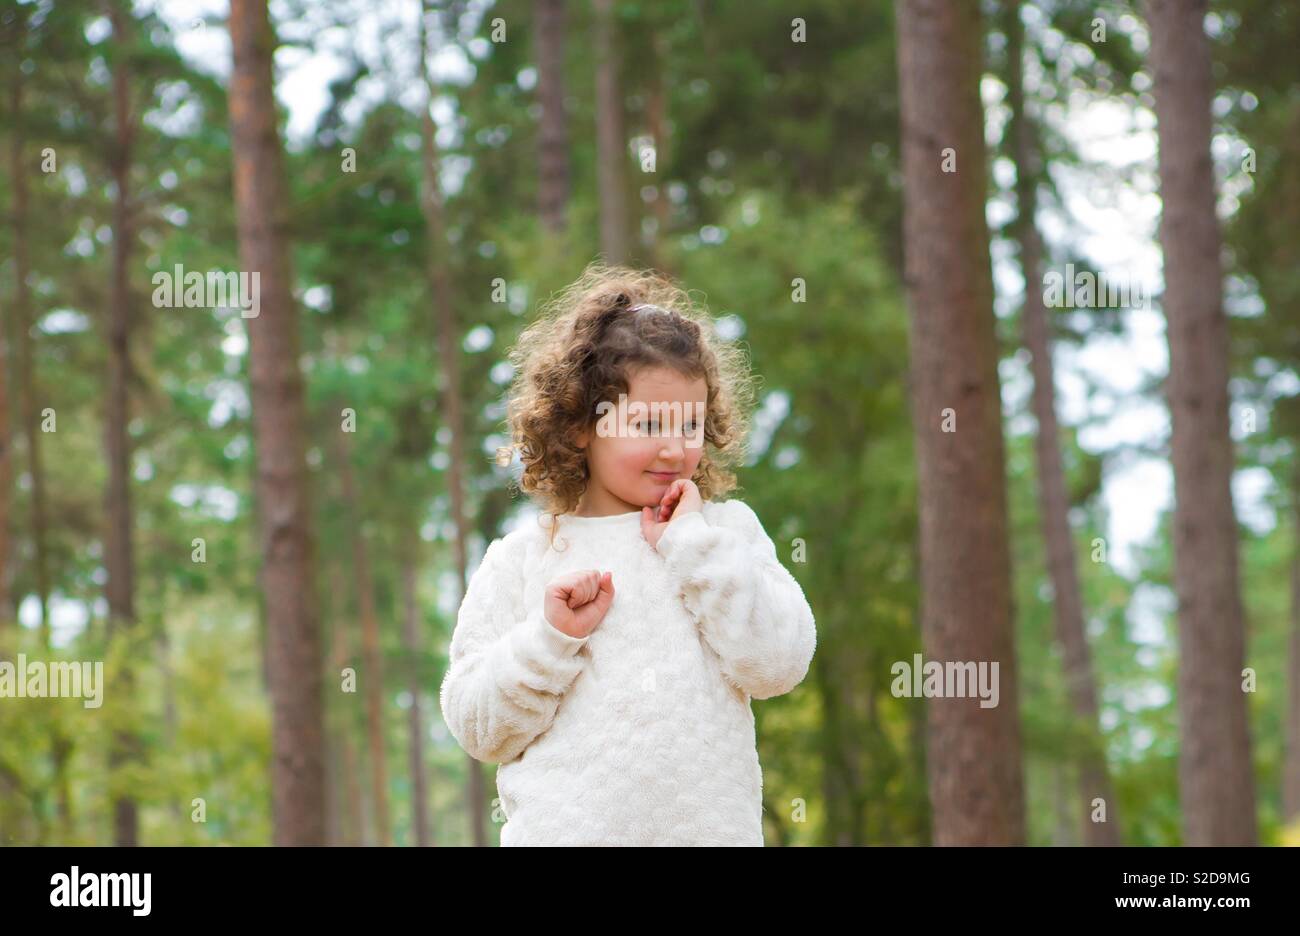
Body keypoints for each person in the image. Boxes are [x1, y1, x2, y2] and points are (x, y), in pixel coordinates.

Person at [439, 263, 817, 845]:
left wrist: (693, 546)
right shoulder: (522, 561)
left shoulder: (724, 534)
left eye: (689, 424)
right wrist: (548, 640)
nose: (673, 447)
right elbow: (478, 726)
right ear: (580, 426)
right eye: (646, 423)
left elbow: (778, 664)